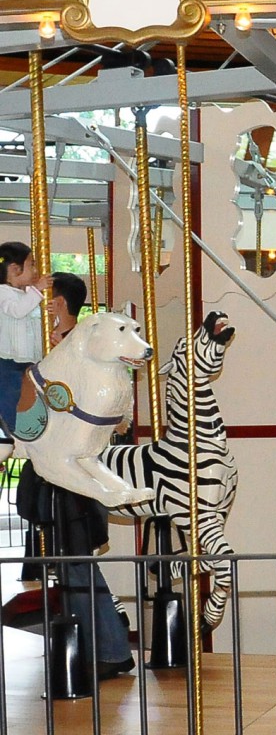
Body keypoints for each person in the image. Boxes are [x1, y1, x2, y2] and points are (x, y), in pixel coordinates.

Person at [17, 272, 135, 680]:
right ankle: (102, 643)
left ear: (60, 302)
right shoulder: (67, 351)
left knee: (76, 567)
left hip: (65, 478)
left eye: (47, 300)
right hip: (58, 473)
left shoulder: (70, 354)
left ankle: (110, 646)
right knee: (73, 567)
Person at [0, 241, 51, 434]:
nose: (36, 270)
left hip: (31, 360)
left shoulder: (29, 296)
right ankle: (5, 431)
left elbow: (39, 324)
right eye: (32, 265)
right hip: (8, 359)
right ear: (14, 269)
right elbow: (17, 311)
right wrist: (38, 290)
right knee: (8, 394)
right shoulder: (3, 293)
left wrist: (50, 315)